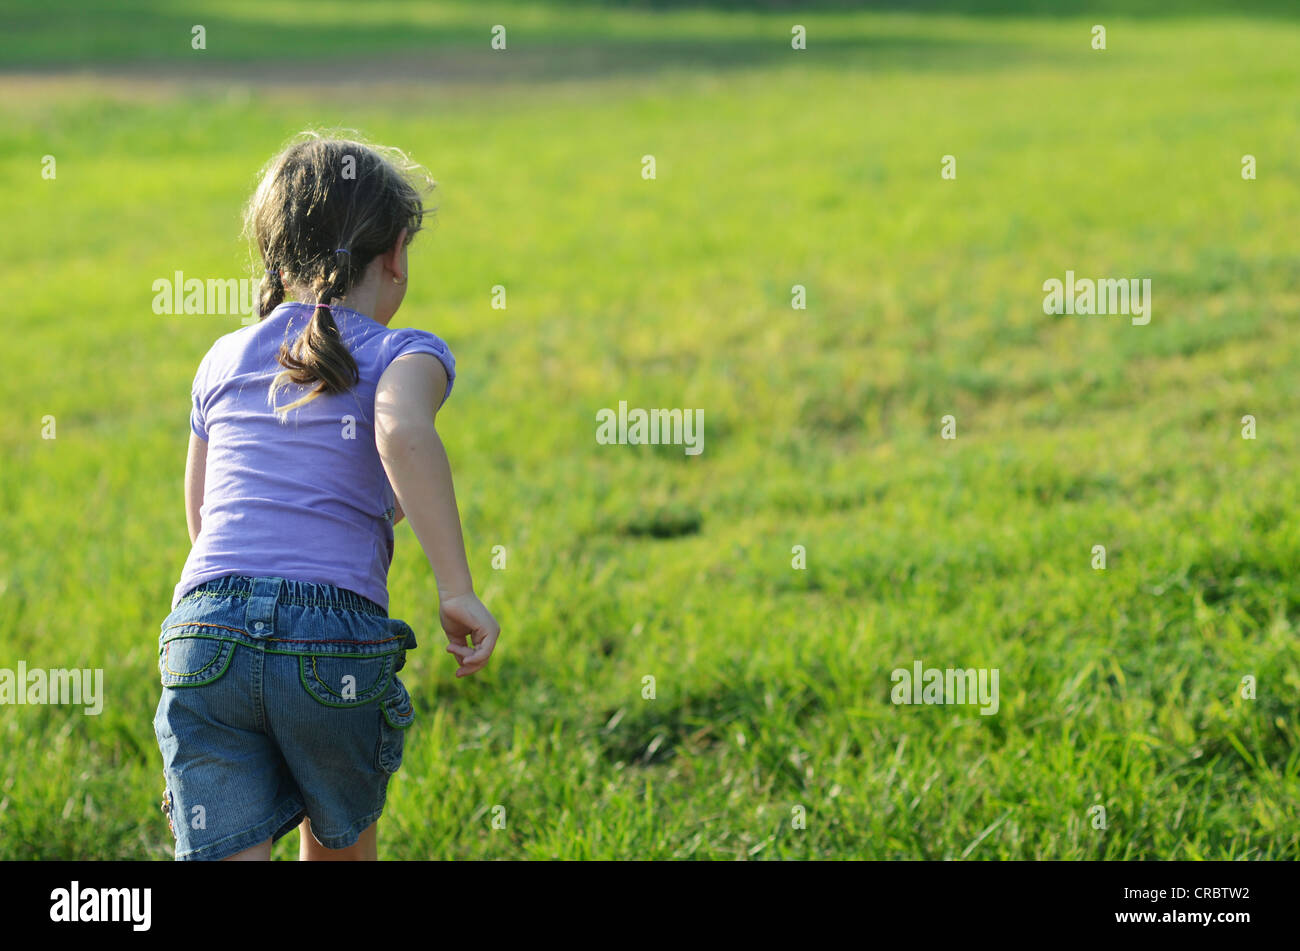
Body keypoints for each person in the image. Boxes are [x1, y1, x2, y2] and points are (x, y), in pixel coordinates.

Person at [152, 131, 500, 861]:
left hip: (204, 632)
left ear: (274, 258)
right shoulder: (405, 352)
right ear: (397, 253)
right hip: (329, 639)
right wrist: (456, 586)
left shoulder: (220, 357)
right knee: (339, 844)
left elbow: (203, 514)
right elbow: (401, 435)